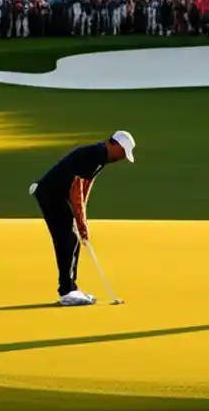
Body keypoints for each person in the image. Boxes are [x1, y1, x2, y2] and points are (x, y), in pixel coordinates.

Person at [29, 130, 136, 306]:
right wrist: (81, 221)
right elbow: (75, 187)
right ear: (114, 144)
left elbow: (86, 185)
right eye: (123, 152)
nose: (123, 157)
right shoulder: (96, 155)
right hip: (51, 194)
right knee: (67, 239)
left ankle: (71, 288)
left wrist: (82, 218)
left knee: (73, 239)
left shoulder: (101, 158)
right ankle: (67, 291)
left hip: (57, 195)